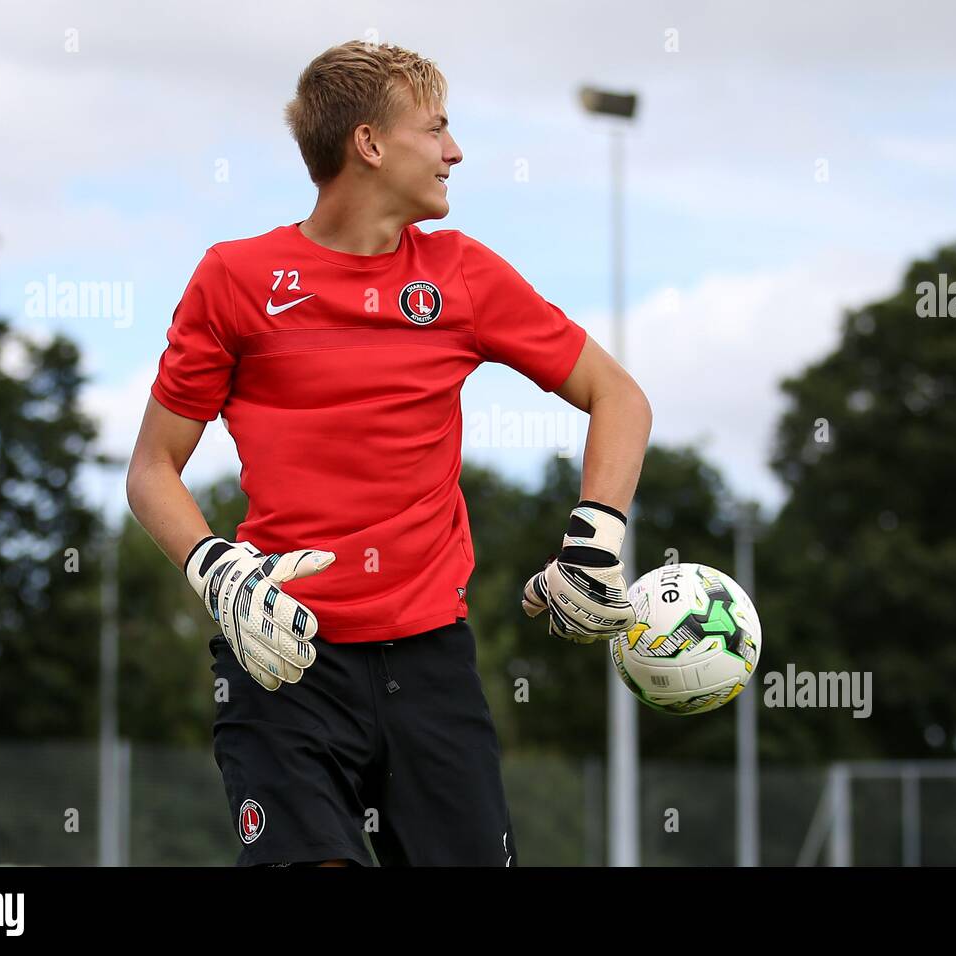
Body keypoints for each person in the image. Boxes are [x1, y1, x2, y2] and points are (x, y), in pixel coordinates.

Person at [125, 39, 652, 867]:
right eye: (436, 129)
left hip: (432, 662)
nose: (456, 151)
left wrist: (596, 540)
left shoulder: (463, 274)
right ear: (368, 144)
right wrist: (216, 570)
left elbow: (619, 397)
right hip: (283, 659)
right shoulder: (235, 279)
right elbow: (152, 468)